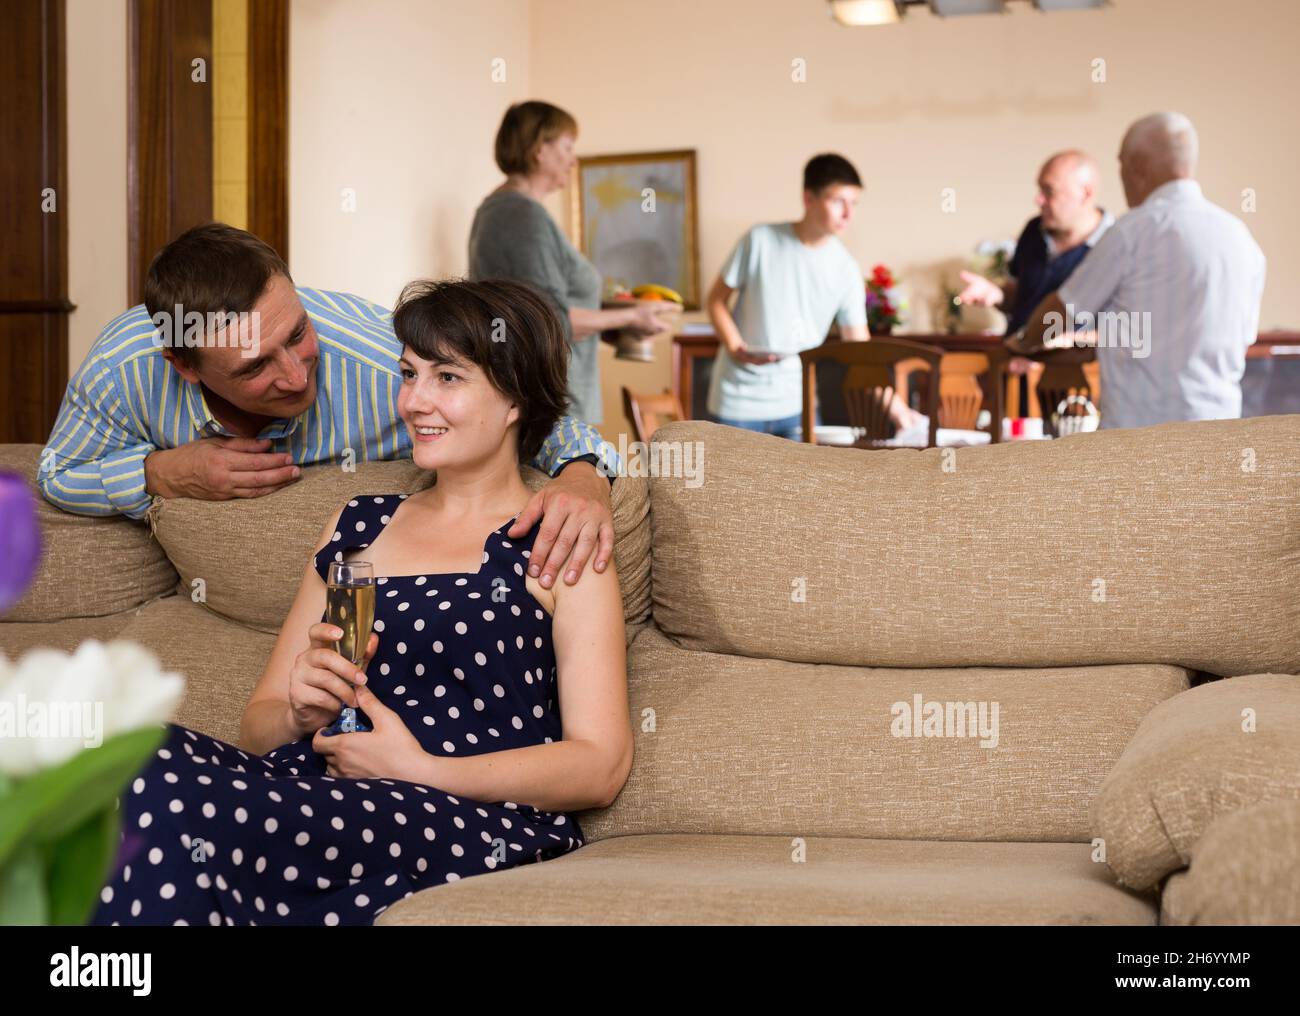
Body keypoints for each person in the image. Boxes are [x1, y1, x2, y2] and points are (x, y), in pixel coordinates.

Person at [91, 278, 634, 926]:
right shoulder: (357, 524)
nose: (413, 401)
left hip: (461, 813)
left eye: (448, 379)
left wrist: (424, 769)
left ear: (516, 396)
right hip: (314, 789)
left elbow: (599, 764)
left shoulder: (559, 536)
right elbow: (258, 727)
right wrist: (299, 708)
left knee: (160, 801)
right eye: (408, 374)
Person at [39, 223, 619, 589]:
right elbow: (58, 473)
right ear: (184, 367)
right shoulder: (123, 370)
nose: (294, 376)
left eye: (296, 335)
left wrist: (586, 474)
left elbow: (530, 406)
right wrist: (158, 472)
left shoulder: (383, 361)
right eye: (254, 367)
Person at [1008, 112, 1267, 430]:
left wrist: (1020, 343)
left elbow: (1062, 311)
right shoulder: (1241, 239)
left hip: (1138, 439)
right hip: (1219, 431)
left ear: (1138, 167)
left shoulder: (1132, 232)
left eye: (1121, 166)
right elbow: (1244, 337)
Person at [468, 101, 676, 426]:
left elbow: (546, 311)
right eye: (567, 146)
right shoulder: (521, 215)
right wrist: (633, 314)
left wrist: (620, 326)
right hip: (552, 404)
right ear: (540, 149)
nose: (574, 159)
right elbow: (547, 319)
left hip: (547, 399)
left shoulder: (503, 211)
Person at [705, 153, 920, 441]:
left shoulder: (845, 269)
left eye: (854, 203)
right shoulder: (759, 240)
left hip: (798, 404)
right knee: (731, 487)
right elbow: (715, 300)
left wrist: (899, 410)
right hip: (738, 401)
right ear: (809, 198)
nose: (848, 214)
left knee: (804, 487)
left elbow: (860, 353)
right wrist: (735, 346)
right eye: (838, 201)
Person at [957, 150, 1113, 338]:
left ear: (1085, 194)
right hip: (1014, 359)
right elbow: (1022, 296)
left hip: (1073, 365)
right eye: (1040, 190)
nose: (1038, 200)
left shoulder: (1117, 245)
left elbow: (1131, 330)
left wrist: (1075, 340)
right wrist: (997, 294)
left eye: (1049, 191)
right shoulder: (1033, 231)